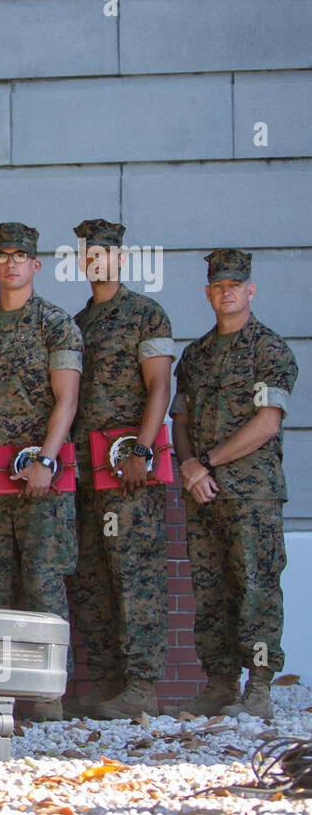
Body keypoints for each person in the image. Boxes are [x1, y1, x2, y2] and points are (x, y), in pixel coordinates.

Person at [0, 222, 82, 721]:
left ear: (36, 265)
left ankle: (49, 695)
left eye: (21, 255)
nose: (11, 263)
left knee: (44, 582)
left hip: (42, 480)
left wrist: (47, 460)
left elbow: (67, 399)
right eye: (2, 255)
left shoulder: (57, 324)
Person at [172, 249, 296, 721]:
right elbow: (179, 419)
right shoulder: (196, 355)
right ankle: (220, 683)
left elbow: (266, 424)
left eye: (235, 286)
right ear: (208, 293)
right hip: (203, 493)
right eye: (218, 286)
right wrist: (188, 467)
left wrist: (203, 463)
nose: (226, 292)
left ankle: (259, 685)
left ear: (250, 291)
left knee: (257, 587)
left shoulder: (270, 350)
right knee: (211, 589)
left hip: (252, 492)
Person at [67, 219, 175, 719]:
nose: (97, 261)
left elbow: (159, 388)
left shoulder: (145, 315)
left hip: (127, 466)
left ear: (120, 260)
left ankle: (141, 685)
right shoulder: (76, 322)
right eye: (89, 254)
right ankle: (109, 679)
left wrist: (144, 451)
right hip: (85, 470)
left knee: (136, 573)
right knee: (92, 575)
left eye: (105, 253)